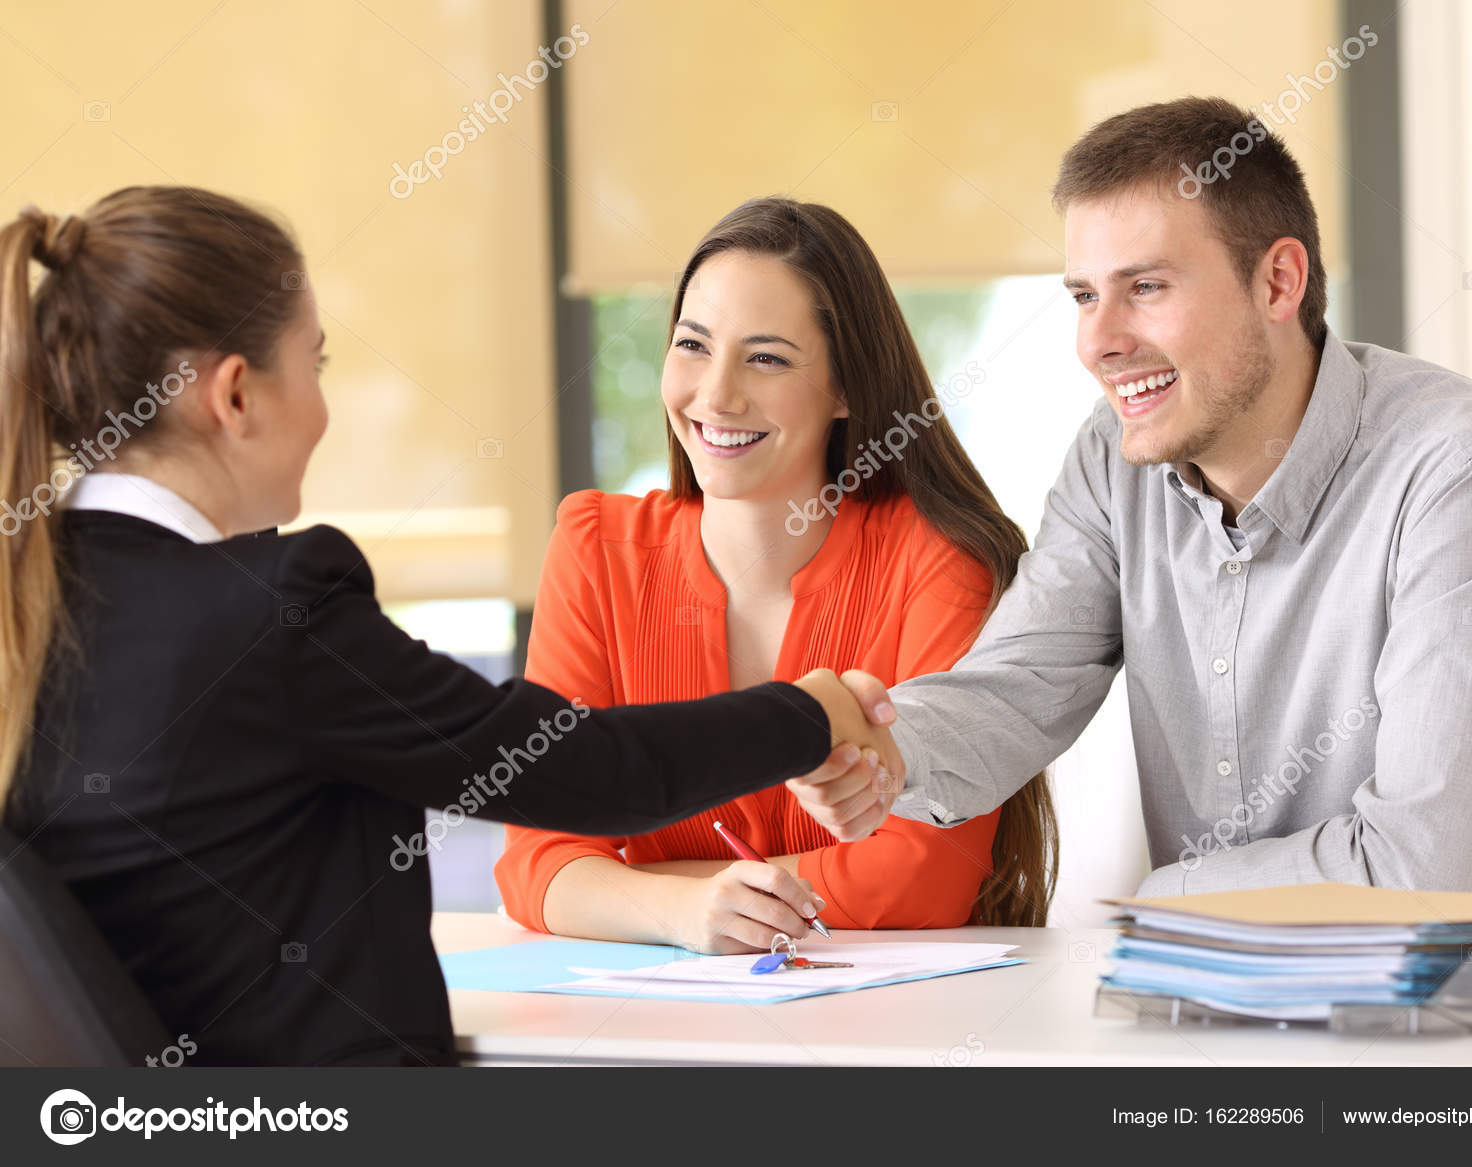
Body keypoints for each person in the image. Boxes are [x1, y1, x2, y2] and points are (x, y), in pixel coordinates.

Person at [0, 186, 900, 1066]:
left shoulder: (28, 603)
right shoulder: (271, 613)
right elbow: (579, 769)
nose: (322, 408)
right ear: (235, 396)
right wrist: (810, 711)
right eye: (314, 365)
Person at [793, 96, 1472, 896]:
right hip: (1214, 999)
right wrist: (881, 748)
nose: (1097, 342)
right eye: (1082, 295)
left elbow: (1416, 872)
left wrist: (1164, 897)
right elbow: (1018, 685)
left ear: (1279, 280)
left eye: (1144, 286)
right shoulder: (1114, 458)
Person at [495, 198, 1057, 953]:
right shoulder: (596, 548)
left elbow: (925, 871)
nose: (716, 394)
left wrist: (644, 888)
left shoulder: (936, 563)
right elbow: (538, 856)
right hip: (672, 1029)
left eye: (766, 357)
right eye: (693, 345)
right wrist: (685, 912)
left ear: (848, 387)